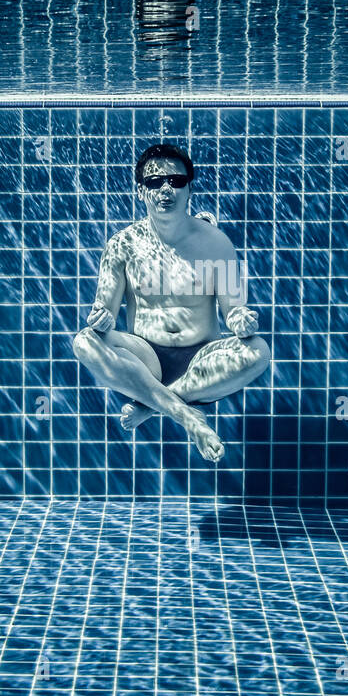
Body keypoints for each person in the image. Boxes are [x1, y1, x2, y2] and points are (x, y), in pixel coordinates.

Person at [72, 144, 271, 462]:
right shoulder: (122, 245)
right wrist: (101, 319)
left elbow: (233, 309)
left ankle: (152, 406)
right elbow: (104, 310)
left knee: (259, 351)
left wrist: (241, 320)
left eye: (176, 181)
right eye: (155, 182)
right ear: (141, 191)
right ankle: (187, 415)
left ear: (189, 188)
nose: (166, 189)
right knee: (84, 341)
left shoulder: (215, 243)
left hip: (201, 363)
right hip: (144, 360)